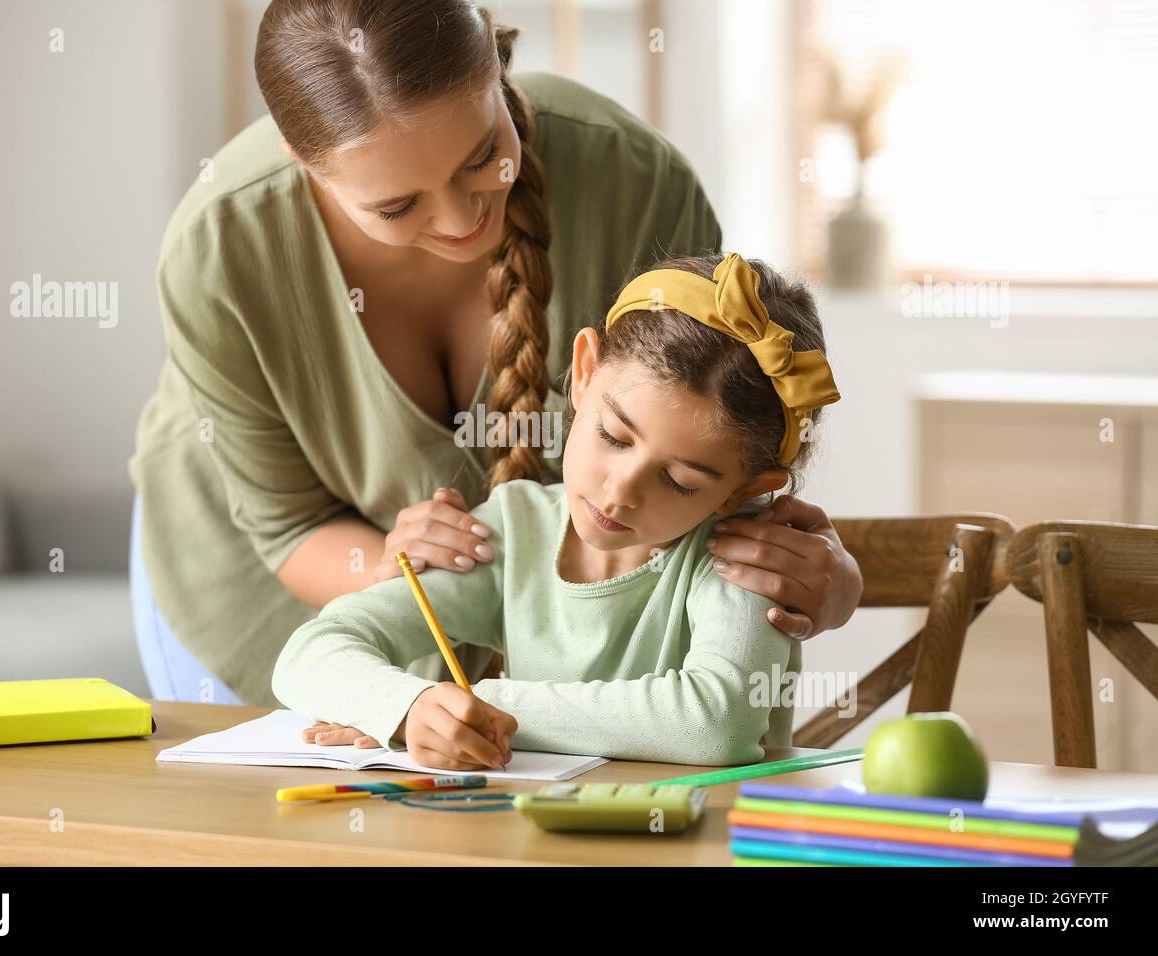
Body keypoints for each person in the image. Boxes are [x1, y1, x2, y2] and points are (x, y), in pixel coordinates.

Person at [128, 0, 862, 708]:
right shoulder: (220, 249)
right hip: (263, 599)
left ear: (494, 70)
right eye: (396, 206)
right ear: (301, 160)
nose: (460, 220)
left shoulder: (636, 184)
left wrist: (820, 579)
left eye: (483, 156)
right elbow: (288, 528)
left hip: (559, 641)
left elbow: (711, 449)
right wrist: (389, 568)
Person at [275, 252, 838, 768]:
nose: (619, 492)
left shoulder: (752, 557)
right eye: (614, 437)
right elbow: (310, 653)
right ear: (585, 370)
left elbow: (715, 724)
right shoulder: (515, 528)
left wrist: (475, 705)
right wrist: (408, 705)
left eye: (679, 480)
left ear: (744, 489)